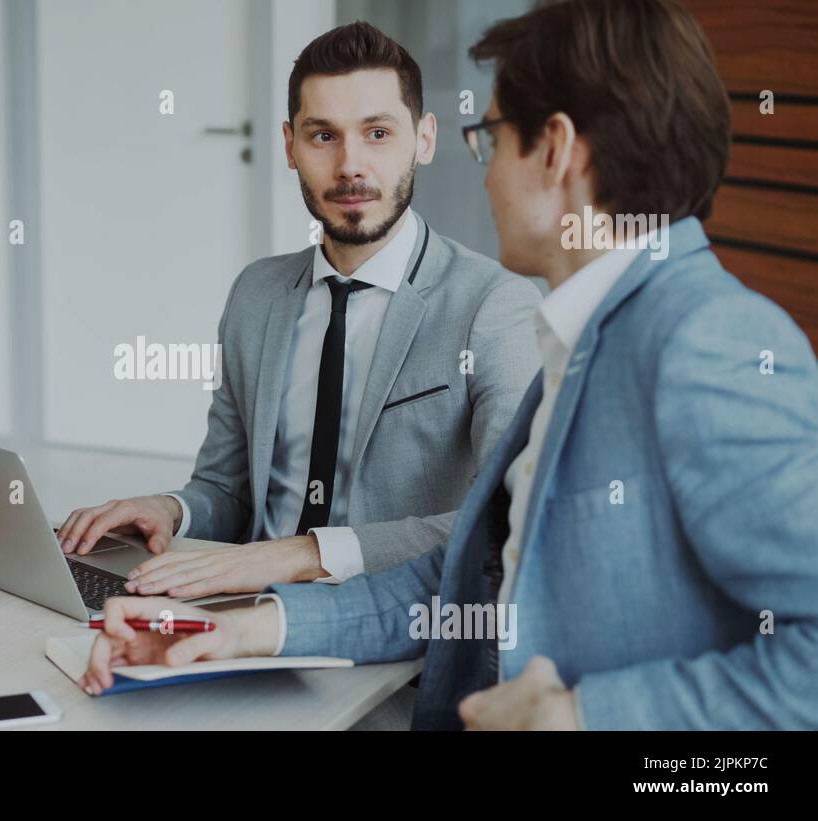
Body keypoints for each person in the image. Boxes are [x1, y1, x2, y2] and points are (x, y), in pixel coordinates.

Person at [83, 0, 818, 730]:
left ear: (556, 149)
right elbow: (467, 574)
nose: (487, 171)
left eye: (491, 139)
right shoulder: (585, 337)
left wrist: (578, 716)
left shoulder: (707, 341)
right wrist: (237, 630)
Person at [59, 22, 541, 600]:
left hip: (384, 622)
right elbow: (228, 489)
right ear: (289, 145)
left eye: (378, 133)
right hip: (240, 604)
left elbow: (507, 521)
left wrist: (304, 555)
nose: (350, 166)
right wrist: (170, 510)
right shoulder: (256, 294)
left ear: (425, 139)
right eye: (323, 136)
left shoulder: (494, 306)